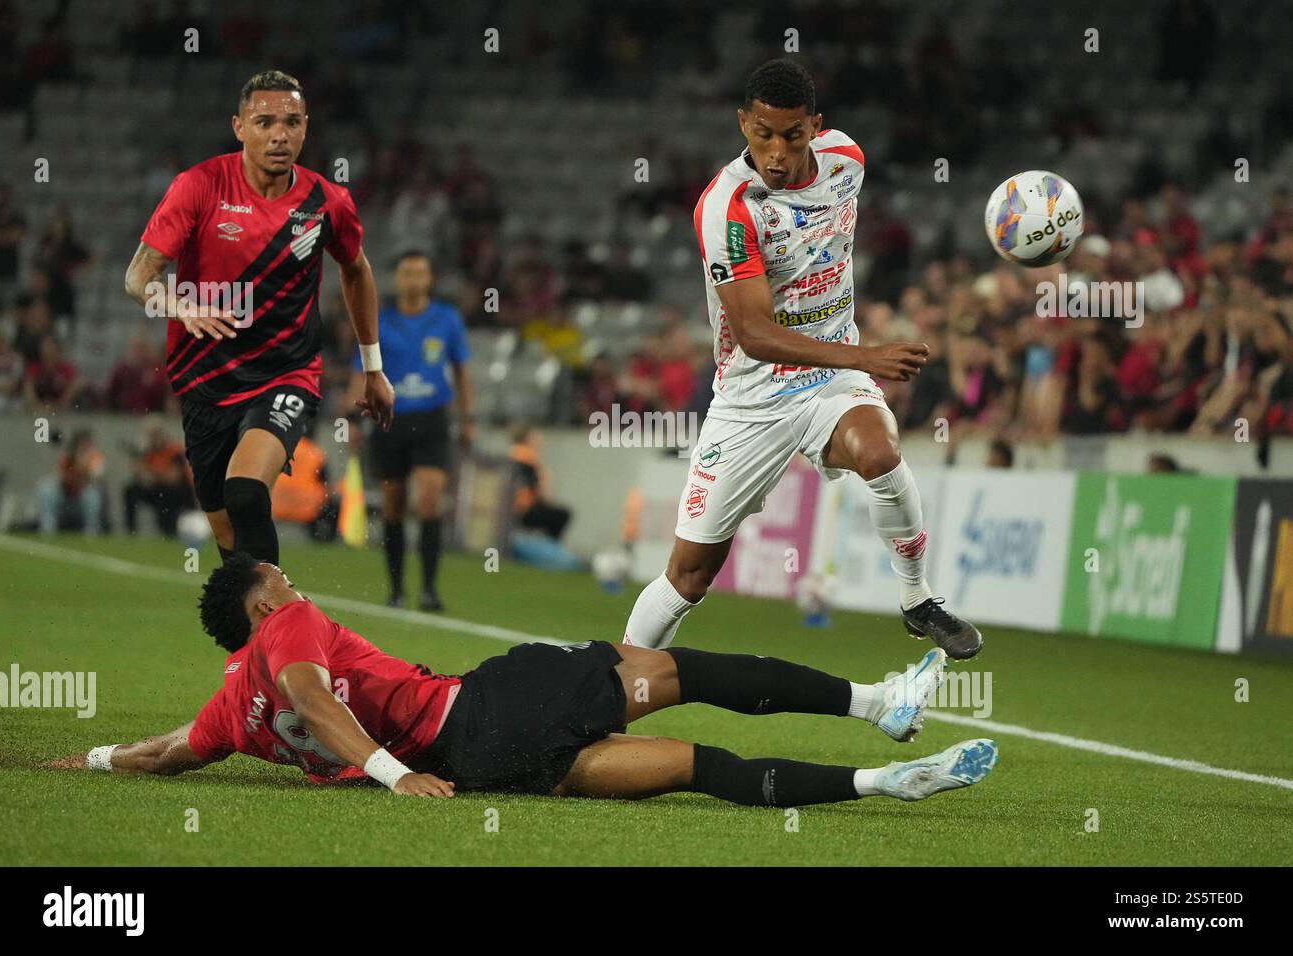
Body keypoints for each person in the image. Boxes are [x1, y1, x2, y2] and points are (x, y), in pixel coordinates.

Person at [50, 554, 998, 808]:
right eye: (283, 582)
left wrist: (83, 758)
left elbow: (165, 753)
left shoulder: (225, 708)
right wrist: (391, 773)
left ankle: (885, 781)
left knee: (692, 767)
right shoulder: (288, 631)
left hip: (494, 764)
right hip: (487, 704)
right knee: (683, 671)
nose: (295, 589)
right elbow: (309, 693)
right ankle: (880, 705)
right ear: (262, 608)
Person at [623, 59, 982, 659]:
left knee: (880, 451)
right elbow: (757, 335)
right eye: (762, 133)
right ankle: (613, 686)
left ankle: (918, 600)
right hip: (751, 397)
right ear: (743, 124)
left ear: (816, 126)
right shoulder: (727, 208)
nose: (777, 151)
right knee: (688, 576)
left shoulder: (848, 162)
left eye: (792, 134)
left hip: (829, 378)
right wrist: (866, 356)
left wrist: (851, 363)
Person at [123, 69, 394, 569]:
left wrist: (373, 366)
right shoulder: (198, 187)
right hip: (205, 382)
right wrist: (179, 305)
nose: (279, 134)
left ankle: (286, 632)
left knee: (247, 492)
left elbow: (356, 270)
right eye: (265, 121)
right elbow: (138, 279)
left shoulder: (326, 203)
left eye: (291, 122)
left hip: (285, 374)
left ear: (306, 127)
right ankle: (262, 635)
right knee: (232, 544)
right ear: (239, 127)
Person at [347, 250, 474, 611]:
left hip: (433, 417)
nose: (414, 279)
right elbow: (361, 371)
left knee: (429, 500)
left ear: (430, 279)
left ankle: (430, 590)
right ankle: (397, 589)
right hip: (390, 419)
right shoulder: (379, 321)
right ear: (397, 279)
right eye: (407, 273)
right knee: (393, 504)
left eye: (421, 272)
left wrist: (468, 418)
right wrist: (353, 418)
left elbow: (463, 371)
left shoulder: (447, 319)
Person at [122, 420, 193, 537]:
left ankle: (169, 532)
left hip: (179, 492)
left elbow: (173, 478)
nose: (151, 438)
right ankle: (131, 531)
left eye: (154, 435)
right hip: (157, 489)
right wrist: (138, 464)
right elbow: (140, 477)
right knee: (130, 490)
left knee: (165, 494)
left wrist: (150, 471)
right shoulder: (149, 452)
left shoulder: (173, 450)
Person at [38, 430, 105, 535]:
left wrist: (82, 463)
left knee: (93, 495)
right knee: (45, 487)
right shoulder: (68, 457)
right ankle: (48, 527)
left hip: (82, 498)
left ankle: (91, 530)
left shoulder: (95, 457)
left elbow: (96, 475)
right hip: (65, 497)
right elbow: (59, 476)